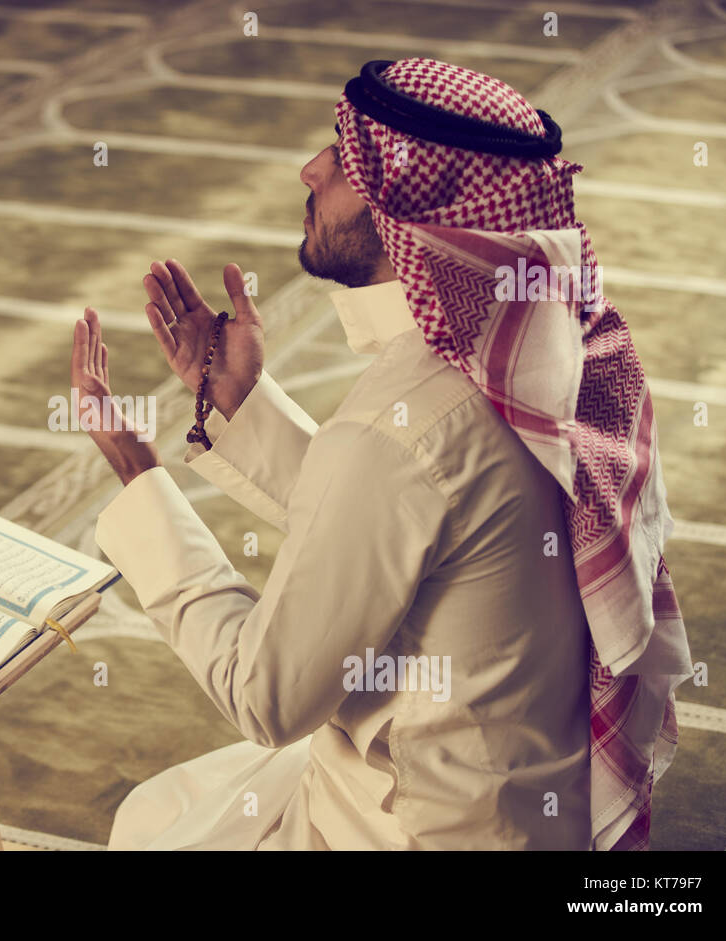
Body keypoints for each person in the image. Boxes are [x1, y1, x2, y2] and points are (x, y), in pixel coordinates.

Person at [67, 58, 692, 850]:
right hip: (539, 807)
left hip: (410, 827)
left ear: (408, 203)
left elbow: (266, 696)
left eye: (342, 154)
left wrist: (138, 476)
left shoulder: (398, 424)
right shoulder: (561, 343)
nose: (312, 170)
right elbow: (404, 520)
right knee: (173, 805)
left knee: (156, 824)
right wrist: (241, 403)